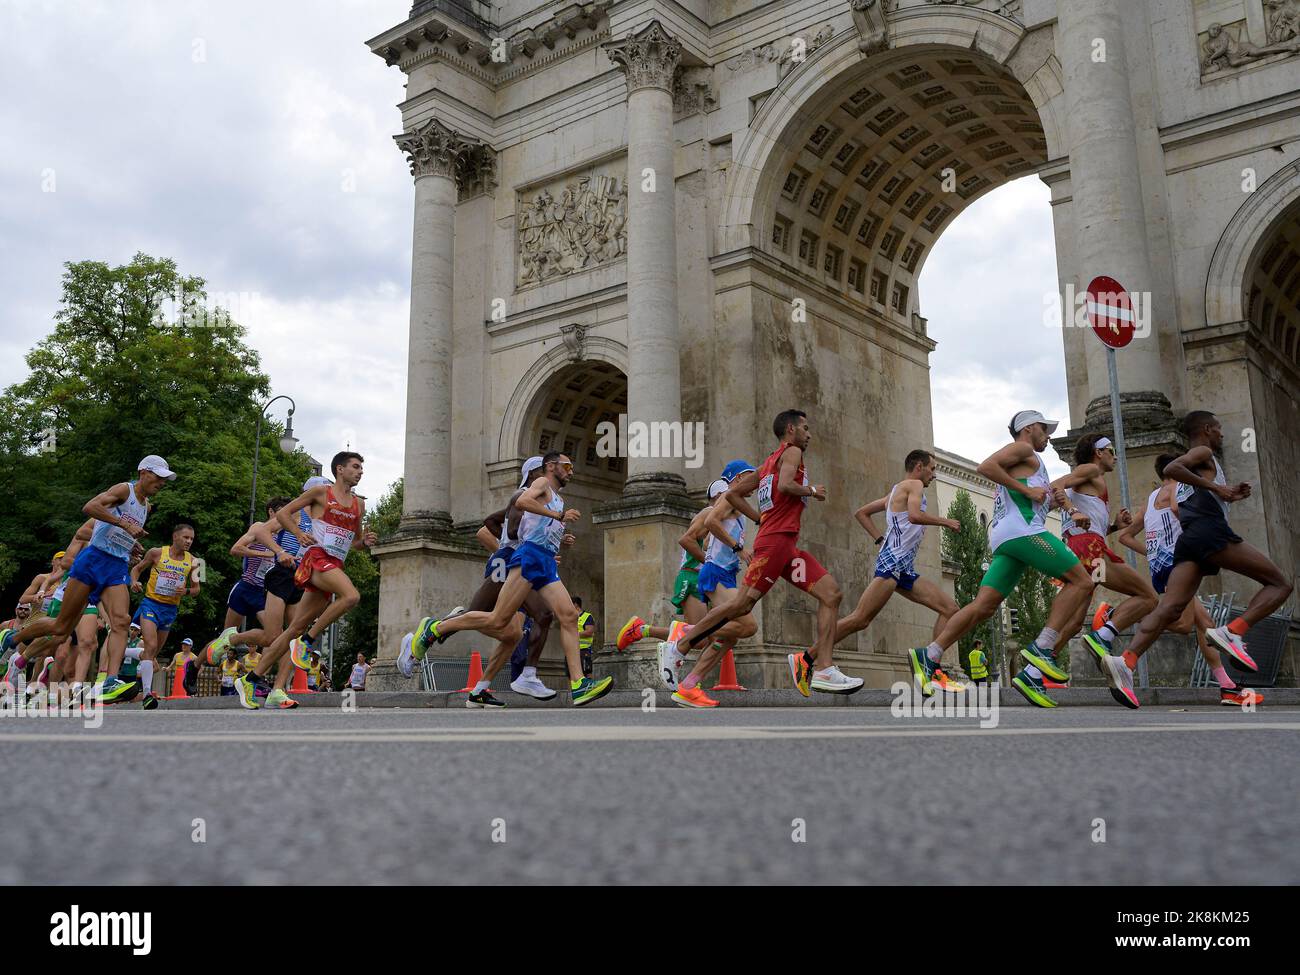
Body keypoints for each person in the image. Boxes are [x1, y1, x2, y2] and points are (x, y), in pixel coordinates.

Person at [663, 410, 864, 696]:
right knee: (741, 607)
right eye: (805, 428)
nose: (809, 434)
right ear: (791, 429)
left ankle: (821, 668)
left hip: (784, 545)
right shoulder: (792, 451)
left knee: (831, 594)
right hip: (775, 545)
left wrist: (759, 518)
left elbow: (733, 494)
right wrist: (810, 490)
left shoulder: (768, 462)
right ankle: (680, 646)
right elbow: (784, 486)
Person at [1099, 411, 1291, 707]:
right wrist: (1217, 488)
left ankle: (1126, 661)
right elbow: (1175, 468)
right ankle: (1233, 632)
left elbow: (1193, 495)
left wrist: (1227, 495)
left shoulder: (1198, 470)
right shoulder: (1202, 452)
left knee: (1171, 609)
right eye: (1218, 428)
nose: (1222, 434)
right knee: (1280, 583)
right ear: (1206, 429)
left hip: (1188, 541)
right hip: (1209, 534)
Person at [905, 412, 1095, 708]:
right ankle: (1043, 648)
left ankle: (930, 654)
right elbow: (986, 467)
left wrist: (1065, 507)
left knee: (983, 606)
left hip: (1006, 539)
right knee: (1082, 581)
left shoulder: (1033, 463)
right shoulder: (1024, 449)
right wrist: (1027, 490)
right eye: (1044, 429)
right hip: (1022, 533)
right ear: (1028, 429)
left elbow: (1033, 495)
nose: (1047, 435)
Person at [408, 452, 614, 708]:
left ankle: (579, 685)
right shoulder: (541, 485)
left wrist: (559, 536)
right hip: (529, 558)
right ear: (550, 467)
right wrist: (559, 518)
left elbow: (539, 527)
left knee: (568, 616)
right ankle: (436, 628)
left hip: (546, 562)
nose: (571, 471)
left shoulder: (559, 499)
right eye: (567, 466)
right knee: (498, 620)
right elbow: (523, 502)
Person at [1, 456, 174, 703]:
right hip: (92, 560)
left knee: (122, 621)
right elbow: (90, 507)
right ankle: (12, 638)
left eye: (164, 479)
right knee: (60, 628)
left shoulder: (145, 507)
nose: (161, 482)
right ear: (143, 473)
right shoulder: (124, 490)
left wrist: (131, 544)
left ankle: (110, 681)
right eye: (157, 476)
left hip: (115, 566)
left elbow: (117, 533)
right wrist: (123, 523)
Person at [397, 458, 557, 701]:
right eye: (543, 471)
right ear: (534, 474)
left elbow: (498, 523)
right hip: (510, 561)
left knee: (513, 632)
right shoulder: (522, 496)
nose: (548, 476)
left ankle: (480, 688)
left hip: (522, 562)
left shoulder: (537, 502)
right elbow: (508, 530)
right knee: (513, 615)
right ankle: (432, 630)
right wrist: (523, 542)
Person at [1116, 453, 1262, 706]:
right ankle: (1116, 616)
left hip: (1161, 565)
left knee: (1205, 622)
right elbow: (1176, 508)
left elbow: (1125, 536)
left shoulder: (1151, 498)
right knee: (1183, 625)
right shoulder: (1175, 487)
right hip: (1178, 563)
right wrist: (1198, 527)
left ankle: (1227, 687)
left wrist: (1152, 553)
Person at [234, 456, 377, 710]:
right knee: (351, 596)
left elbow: (353, 542)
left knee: (293, 629)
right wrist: (299, 534)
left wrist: (363, 543)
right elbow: (283, 513)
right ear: (339, 469)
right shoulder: (321, 493)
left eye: (362, 468)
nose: (360, 471)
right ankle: (307, 642)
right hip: (316, 559)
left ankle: (251, 679)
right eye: (355, 467)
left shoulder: (359, 505)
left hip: (335, 564)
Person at [836, 449, 966, 695]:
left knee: (950, 609)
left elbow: (861, 513)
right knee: (860, 619)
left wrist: (879, 539)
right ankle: (810, 656)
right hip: (892, 564)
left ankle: (930, 665)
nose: (934, 475)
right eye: (933, 468)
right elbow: (915, 516)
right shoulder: (914, 484)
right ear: (919, 467)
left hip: (903, 567)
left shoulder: (897, 491)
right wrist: (945, 522)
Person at [1047, 434, 1157, 668]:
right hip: (1091, 551)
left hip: (1081, 550)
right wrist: (1073, 510)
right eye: (1111, 450)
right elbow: (1056, 485)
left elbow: (1092, 529)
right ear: (1098, 453)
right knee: (1148, 597)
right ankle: (1103, 633)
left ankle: (1038, 665)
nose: (1115, 457)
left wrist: (1116, 525)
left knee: (1075, 622)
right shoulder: (1090, 470)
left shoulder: (1091, 482)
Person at [669, 461, 761, 707]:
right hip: (716, 574)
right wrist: (738, 548)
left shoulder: (736, 507)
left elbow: (710, 540)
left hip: (724, 573)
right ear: (738, 477)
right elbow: (709, 524)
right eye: (752, 477)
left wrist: (730, 552)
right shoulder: (729, 499)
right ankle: (687, 633)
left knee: (728, 638)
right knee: (749, 626)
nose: (756, 483)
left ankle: (689, 686)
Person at [129, 523, 200, 709]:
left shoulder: (196, 561)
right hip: (150, 603)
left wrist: (185, 591)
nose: (189, 541)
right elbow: (136, 569)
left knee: (152, 653)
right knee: (150, 645)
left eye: (191, 539)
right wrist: (134, 582)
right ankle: (146, 695)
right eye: (186, 537)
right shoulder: (156, 552)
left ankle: (124, 652)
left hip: (170, 609)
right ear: (175, 537)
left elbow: (197, 590)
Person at [574, 596, 596, 676]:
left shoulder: (587, 616)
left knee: (587, 672)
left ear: (575, 605)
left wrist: (574, 634)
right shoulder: (572, 617)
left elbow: (589, 632)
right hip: (573, 650)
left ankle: (589, 688)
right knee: (572, 674)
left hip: (584, 650)